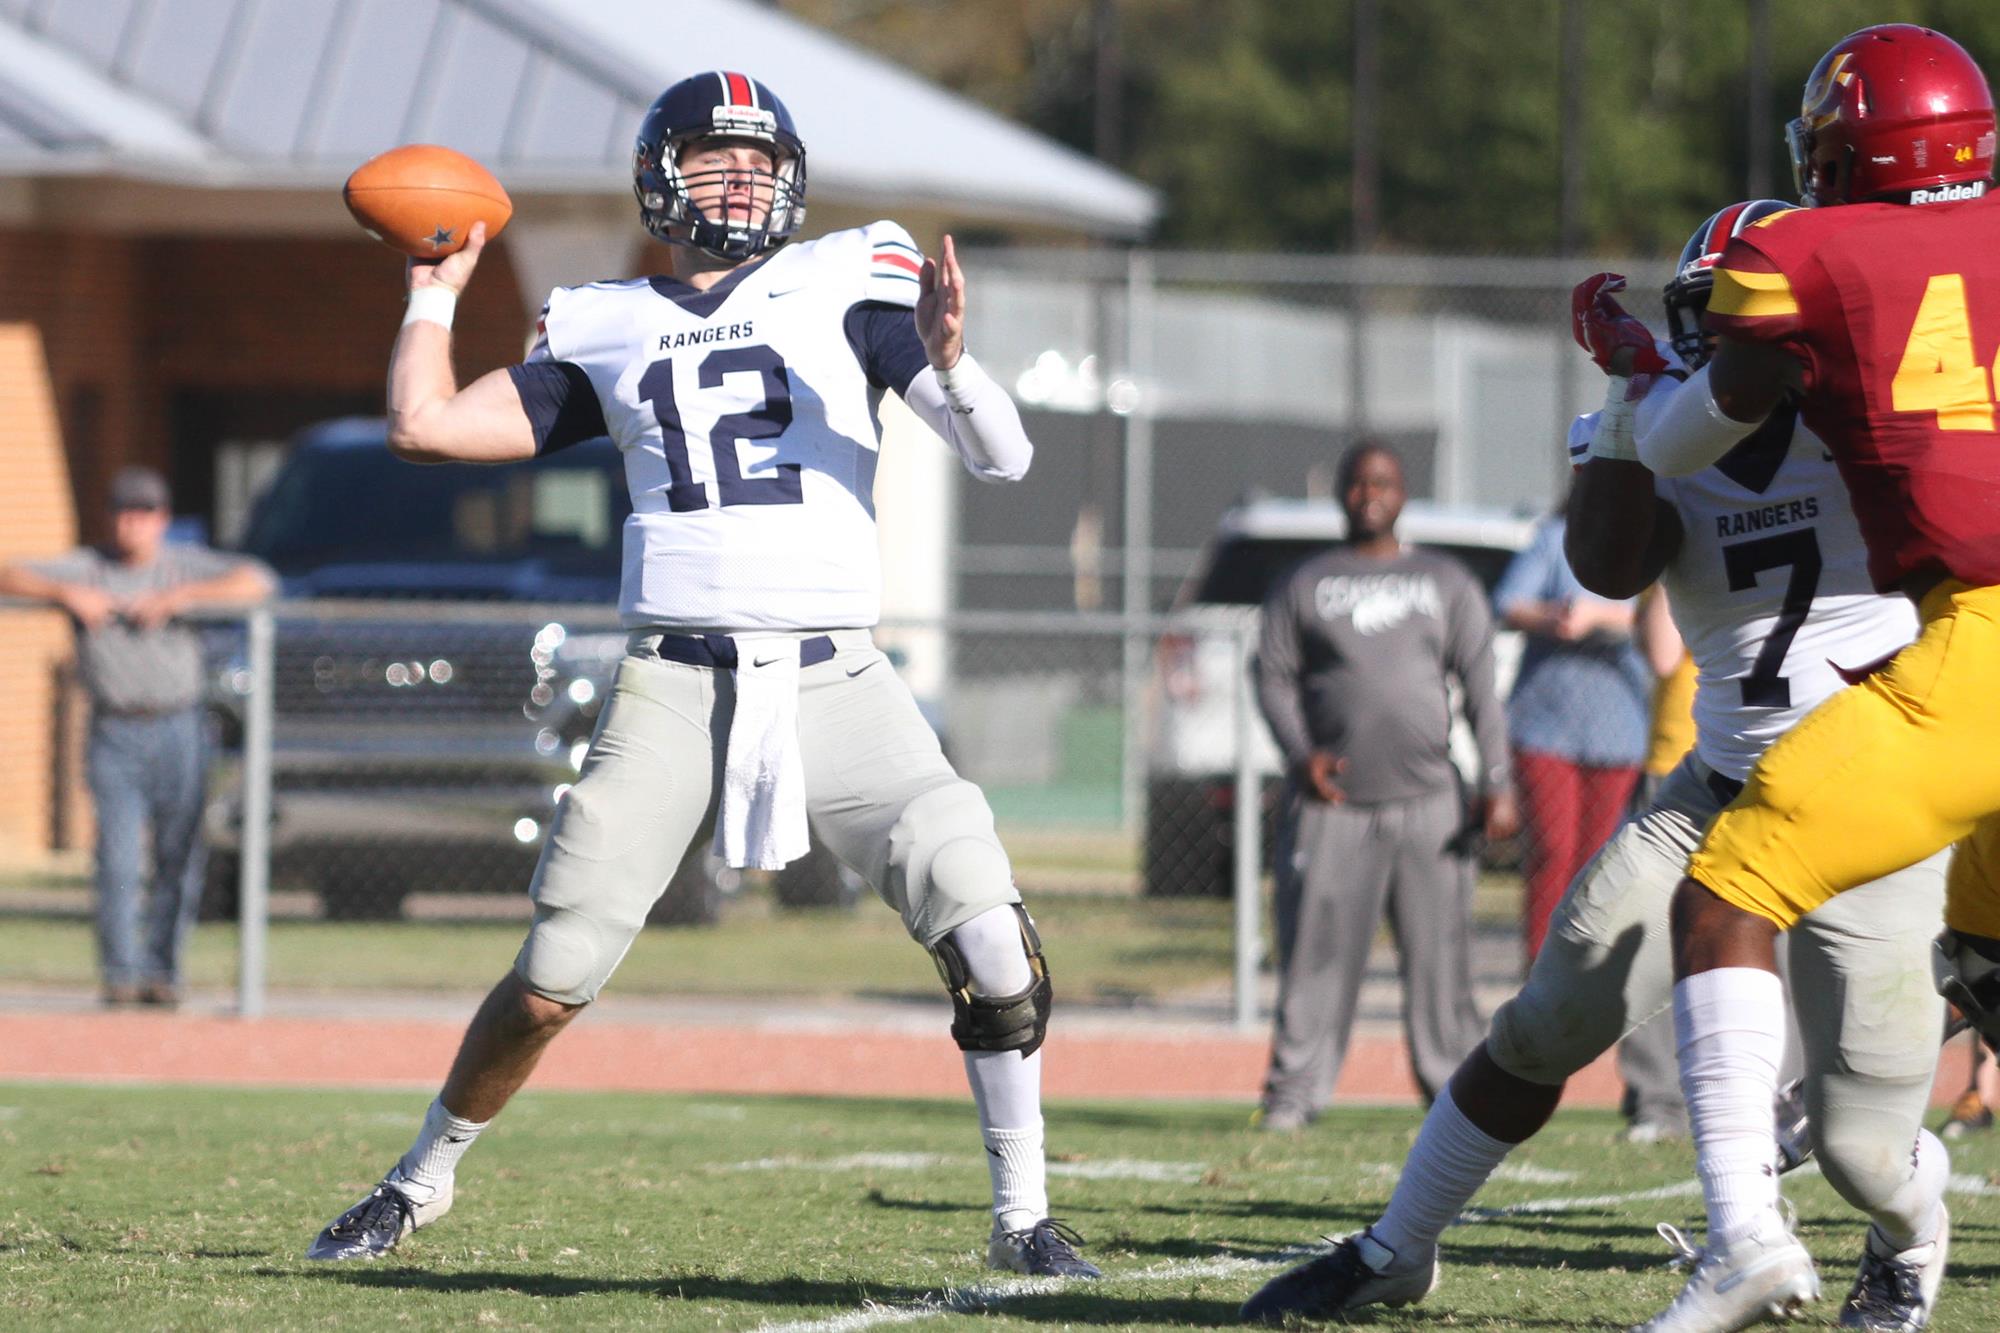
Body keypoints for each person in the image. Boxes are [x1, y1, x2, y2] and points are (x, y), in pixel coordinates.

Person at [304, 72, 1099, 1279]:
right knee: (553, 974)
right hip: (674, 680)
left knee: (989, 931)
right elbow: (426, 428)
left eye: (759, 161)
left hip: (838, 679)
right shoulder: (602, 317)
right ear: (659, 175)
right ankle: (419, 1179)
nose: (743, 180)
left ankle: (1023, 1219)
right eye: (715, 159)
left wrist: (949, 360)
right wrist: (434, 291)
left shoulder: (849, 278)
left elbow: (1004, 455)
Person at [1242, 197, 1945, 1331]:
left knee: (1863, 1146)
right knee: (1544, 1018)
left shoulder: (1867, 417)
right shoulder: (1652, 425)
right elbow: (1609, 566)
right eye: (1713, 314)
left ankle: (1911, 1236)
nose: (1731, 336)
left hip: (1872, 785)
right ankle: (1396, 1244)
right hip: (1720, 787)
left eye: (1753, 314)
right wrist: (1627, 405)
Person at [1625, 24, 2000, 1331]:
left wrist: (1630, 411)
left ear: (1844, 152)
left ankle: (1742, 1235)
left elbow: (1700, 418)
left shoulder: (1809, 250)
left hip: (1977, 652)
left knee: (1726, 894)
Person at [1250, 442, 1518, 1130]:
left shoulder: (1446, 580)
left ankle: (1459, 1102)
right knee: (1314, 958)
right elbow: (1272, 674)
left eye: (1384, 481)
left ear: (1404, 493)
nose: (1370, 492)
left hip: (1432, 804)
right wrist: (1299, 752)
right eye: (1358, 482)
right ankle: (1294, 1095)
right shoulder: (1304, 582)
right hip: (1332, 805)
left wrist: (1497, 778)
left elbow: (1482, 689)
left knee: (1442, 967)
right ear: (1339, 493)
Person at [0, 466, 274, 1007]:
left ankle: (163, 973)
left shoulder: (181, 566)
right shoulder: (88, 567)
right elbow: (8, 573)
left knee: (178, 859)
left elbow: (260, 580)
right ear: (111, 519)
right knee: (120, 863)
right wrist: (66, 594)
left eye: (145, 513)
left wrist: (181, 599)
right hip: (114, 731)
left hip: (181, 728)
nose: (134, 524)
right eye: (125, 513)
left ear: (162, 521)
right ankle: (121, 975)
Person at [1492, 514, 1650, 959]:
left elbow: (1658, 623)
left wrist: (1598, 617)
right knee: (1552, 853)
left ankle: (1588, 981)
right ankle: (1540, 983)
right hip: (1545, 727)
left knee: (1601, 864)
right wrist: (1555, 617)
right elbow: (1508, 601)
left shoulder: (1650, 540)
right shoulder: (1555, 539)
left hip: (1619, 729)